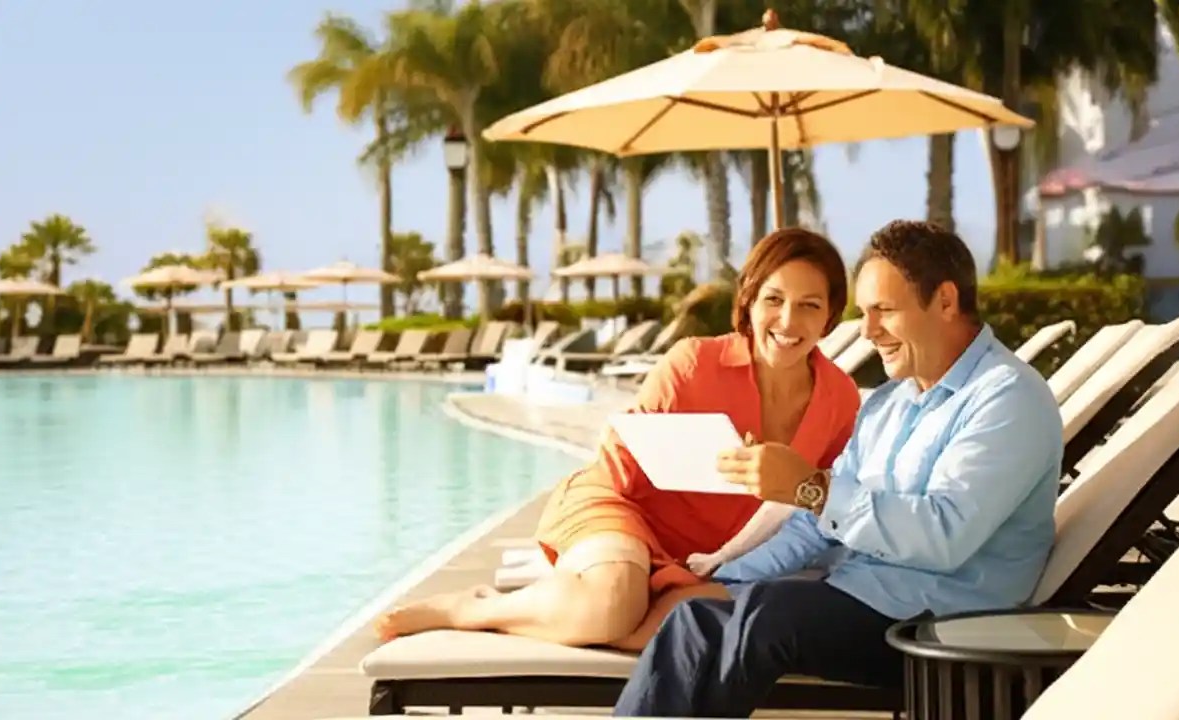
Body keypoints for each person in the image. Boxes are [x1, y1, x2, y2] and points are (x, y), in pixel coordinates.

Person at [612, 220, 1064, 718]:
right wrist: (722, 576)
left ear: (946, 300)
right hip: (860, 597)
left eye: (884, 312)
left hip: (942, 626)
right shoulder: (890, 403)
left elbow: (944, 534)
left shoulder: (1007, 399)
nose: (868, 332)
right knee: (695, 616)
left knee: (766, 620)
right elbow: (812, 526)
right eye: (865, 313)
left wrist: (812, 488)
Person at [375, 227, 862, 650]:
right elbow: (618, 469)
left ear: (831, 316)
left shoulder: (840, 398)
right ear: (750, 301)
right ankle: (476, 609)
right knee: (613, 605)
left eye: (809, 306)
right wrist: (655, 443)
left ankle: (589, 604)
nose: (787, 321)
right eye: (773, 300)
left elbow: (824, 502)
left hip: (703, 560)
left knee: (702, 622)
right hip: (622, 507)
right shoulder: (693, 362)